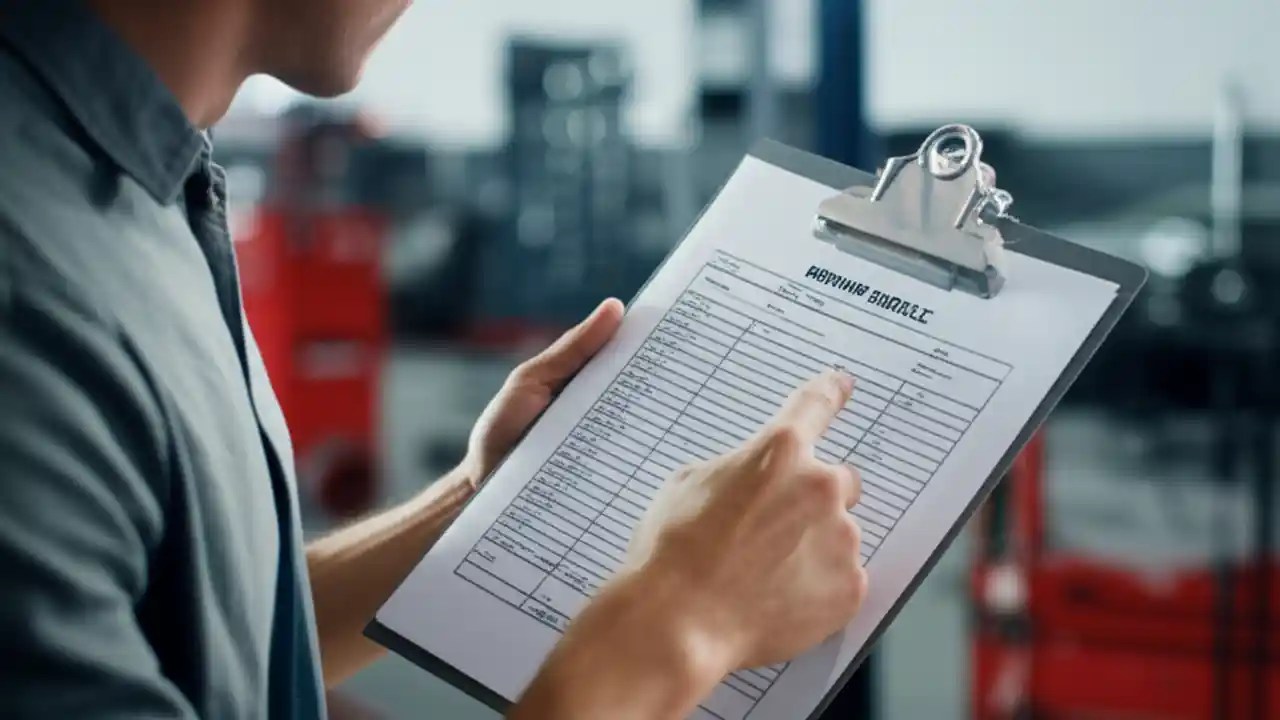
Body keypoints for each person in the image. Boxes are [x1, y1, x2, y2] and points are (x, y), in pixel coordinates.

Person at [0, 0, 869, 718]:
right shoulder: (29, 273)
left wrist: (484, 499)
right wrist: (685, 626)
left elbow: (198, 632)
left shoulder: (135, 186)